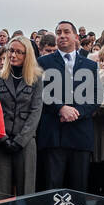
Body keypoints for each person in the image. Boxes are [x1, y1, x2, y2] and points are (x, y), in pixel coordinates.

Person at [36, 20, 98, 191]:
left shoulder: (90, 65)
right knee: (51, 187)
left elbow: (95, 97)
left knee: (79, 189)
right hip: (53, 135)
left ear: (76, 36)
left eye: (66, 32)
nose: (62, 35)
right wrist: (60, 108)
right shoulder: (43, 62)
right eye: (58, 32)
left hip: (80, 135)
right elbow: (40, 93)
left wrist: (76, 112)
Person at [0, 36, 44, 200]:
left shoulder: (36, 78)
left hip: (25, 143)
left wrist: (20, 140)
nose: (13, 55)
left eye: (18, 52)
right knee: (0, 192)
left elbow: (36, 111)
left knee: (26, 192)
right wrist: (2, 138)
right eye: (11, 51)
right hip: (0, 142)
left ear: (27, 55)